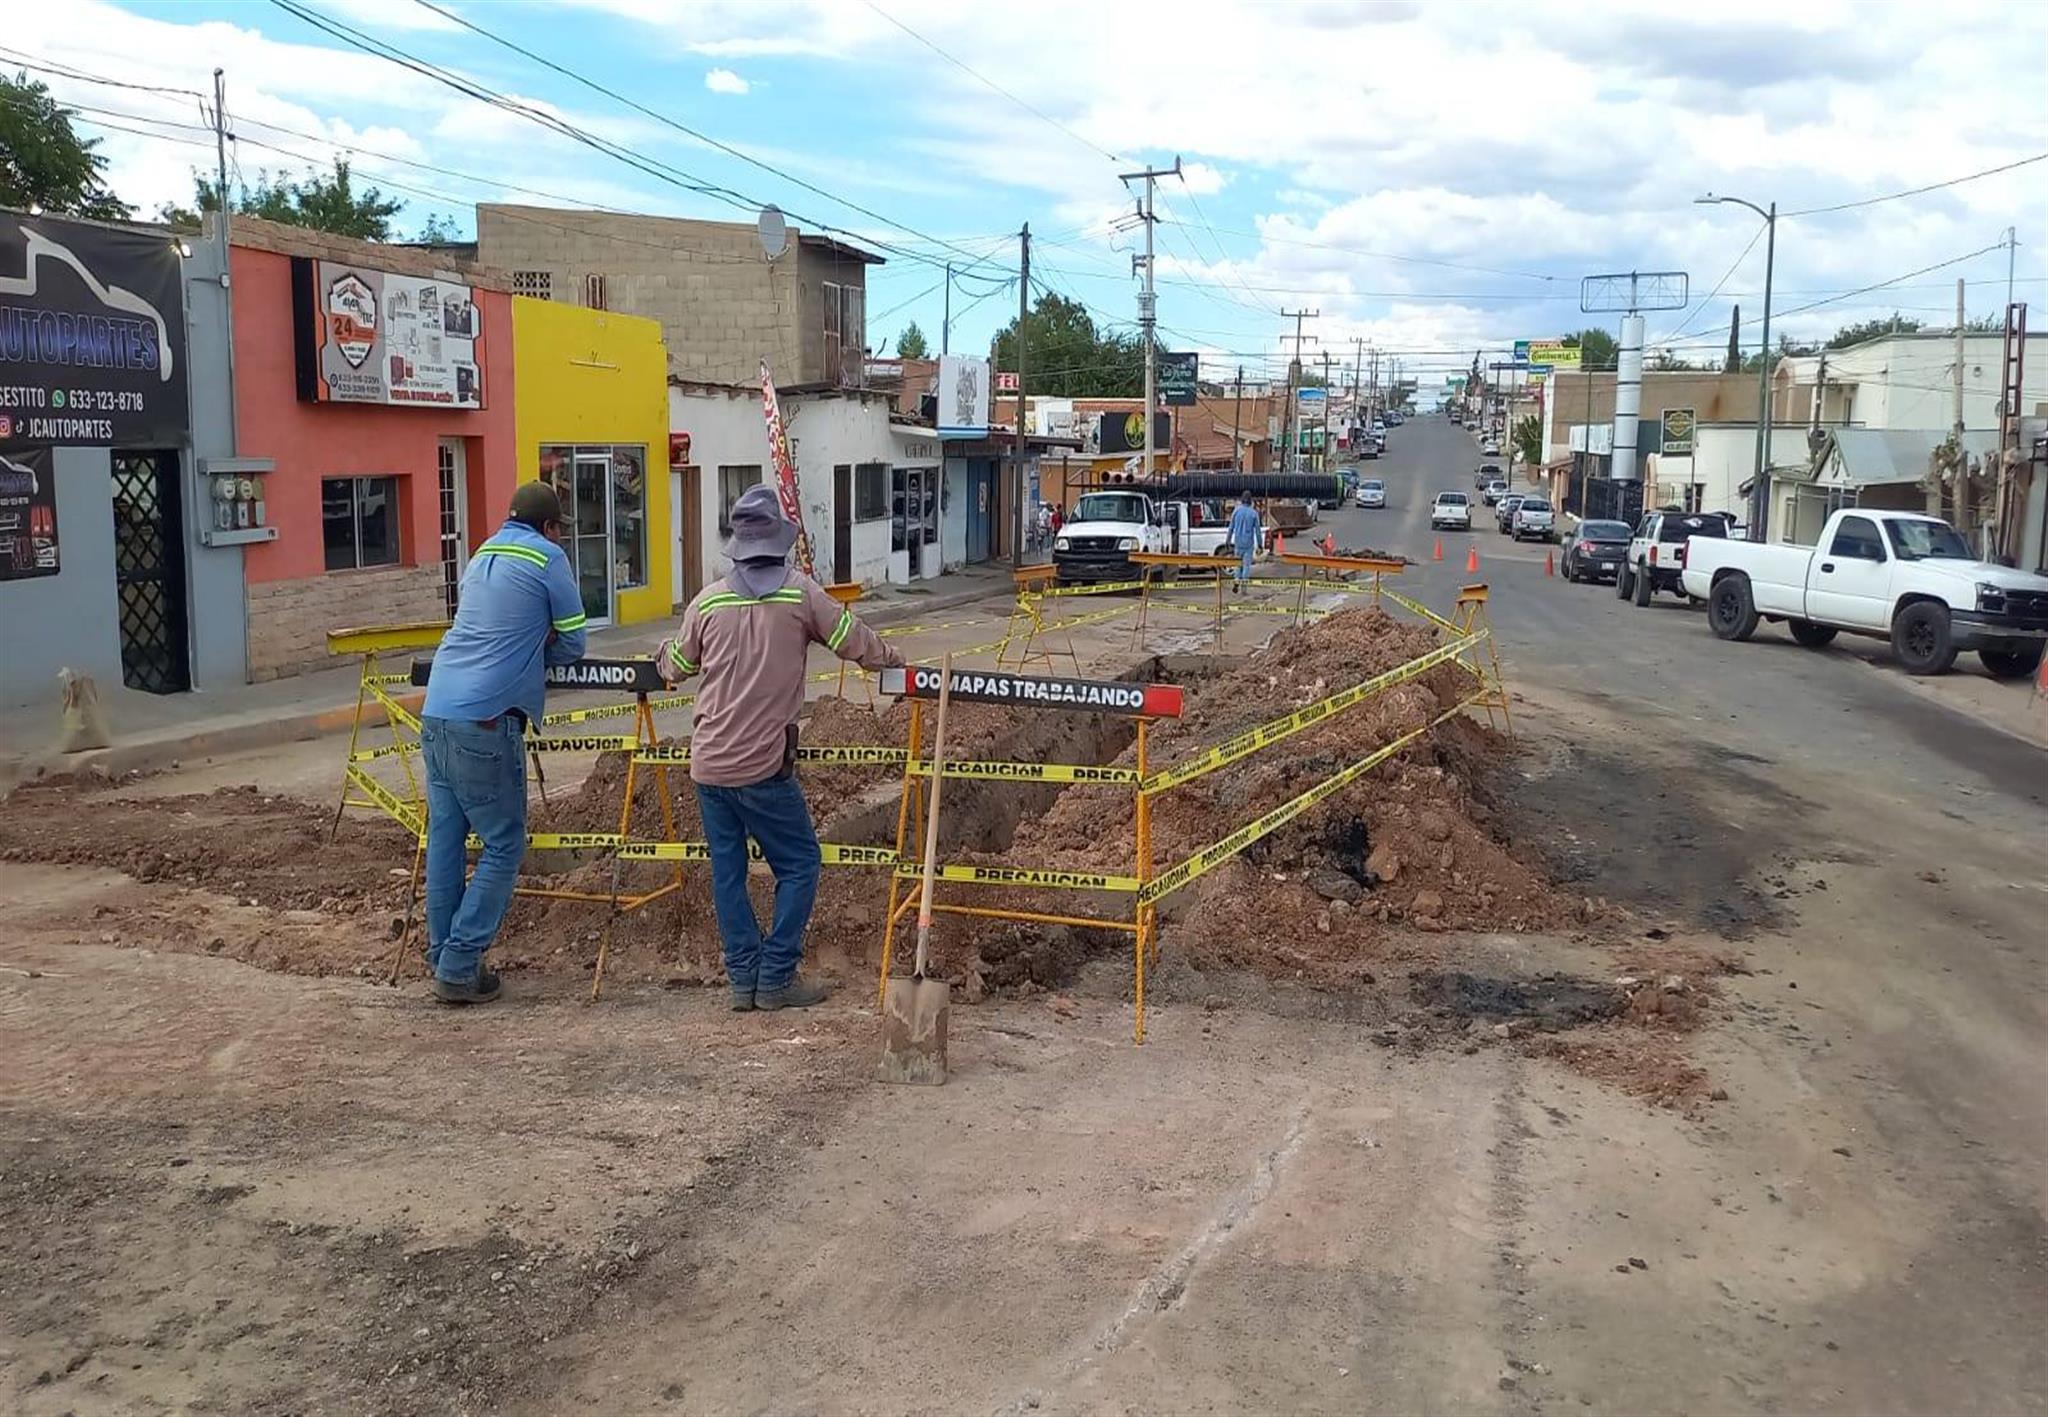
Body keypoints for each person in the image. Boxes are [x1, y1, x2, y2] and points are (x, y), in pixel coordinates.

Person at [658, 486, 904, 1012]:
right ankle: (775, 975)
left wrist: (660, 658)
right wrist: (894, 662)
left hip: (709, 764)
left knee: (727, 872)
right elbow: (855, 641)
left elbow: (675, 666)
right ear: (780, 542)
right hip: (763, 766)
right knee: (800, 863)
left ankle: (742, 980)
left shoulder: (708, 601)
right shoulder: (800, 594)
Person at [420, 481, 588, 1004]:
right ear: (549, 527)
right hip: (487, 720)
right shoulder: (548, 557)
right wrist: (537, 657)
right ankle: (460, 962)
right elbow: (576, 640)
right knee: (504, 842)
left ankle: (441, 953)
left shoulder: (480, 554)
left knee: (446, 840)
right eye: (559, 527)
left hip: (436, 711)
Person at [1228, 489, 1261, 593]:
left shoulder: (1236, 511)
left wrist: (1227, 540)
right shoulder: (1254, 513)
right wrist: (1260, 544)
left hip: (1238, 543)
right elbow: (1258, 531)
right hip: (1248, 544)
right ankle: (1244, 588)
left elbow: (1231, 528)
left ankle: (1236, 580)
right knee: (1246, 566)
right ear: (1250, 501)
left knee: (1238, 564)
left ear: (1242, 500)